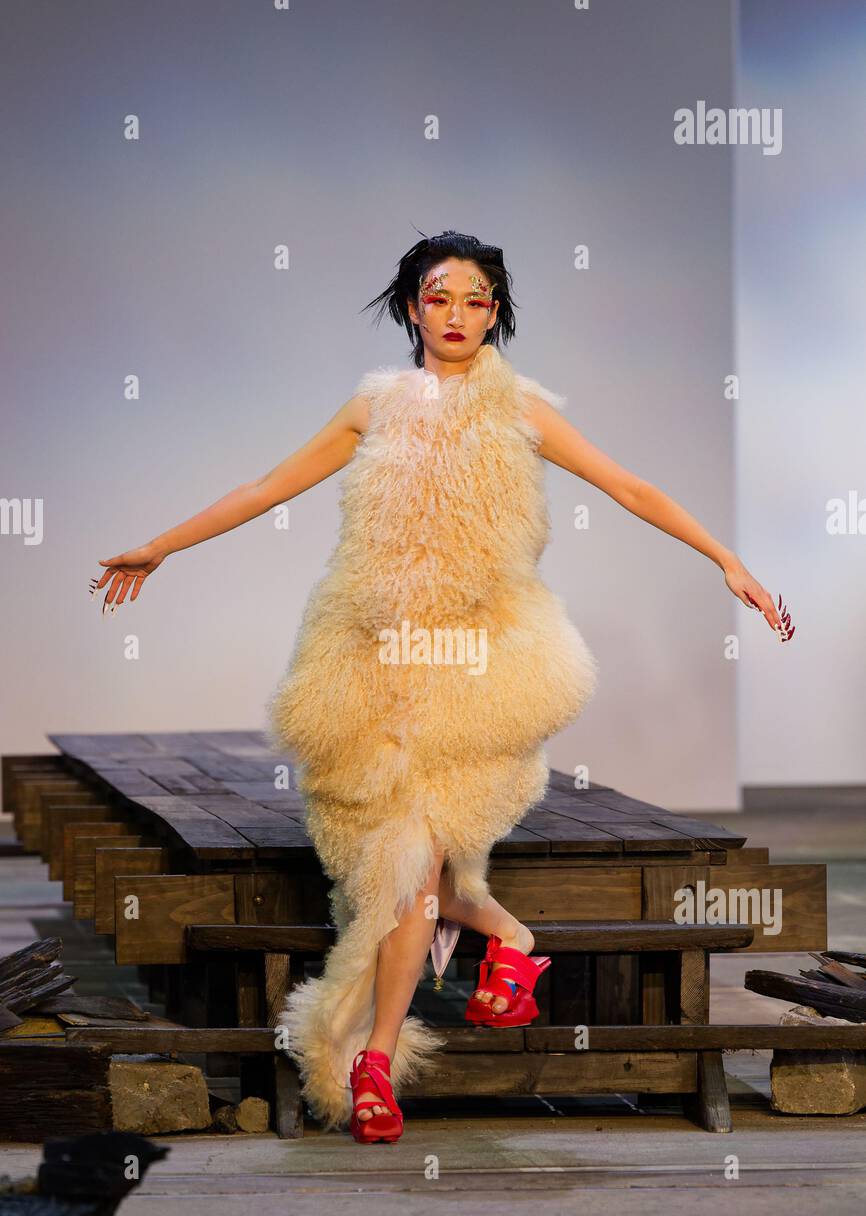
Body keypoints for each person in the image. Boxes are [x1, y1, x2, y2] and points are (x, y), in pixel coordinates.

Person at [92, 229, 794, 1144]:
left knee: (414, 861)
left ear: (495, 310)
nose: (457, 315)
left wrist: (725, 559)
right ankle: (510, 941)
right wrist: (161, 546)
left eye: (475, 298)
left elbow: (629, 486)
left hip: (475, 669)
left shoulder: (524, 409)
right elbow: (267, 487)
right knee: (397, 868)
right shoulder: (373, 407)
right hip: (371, 666)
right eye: (438, 296)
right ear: (410, 306)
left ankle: (378, 1060)